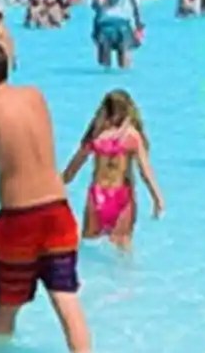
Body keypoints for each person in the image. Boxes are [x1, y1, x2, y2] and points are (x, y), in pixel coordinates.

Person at [0, 38, 91, 353]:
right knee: (65, 296)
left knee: (8, 304)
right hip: (58, 209)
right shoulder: (35, 96)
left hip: (19, 218)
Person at [60, 90, 164, 251]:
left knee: (87, 247)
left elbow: (71, 171)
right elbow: (145, 172)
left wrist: (53, 188)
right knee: (124, 250)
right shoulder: (132, 137)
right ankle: (126, 277)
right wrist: (157, 198)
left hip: (97, 197)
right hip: (122, 197)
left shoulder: (96, 136)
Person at [91, 0, 142, 69]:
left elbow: (95, 5)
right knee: (124, 67)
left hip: (104, 23)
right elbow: (135, 3)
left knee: (104, 67)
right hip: (123, 23)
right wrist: (138, 23)